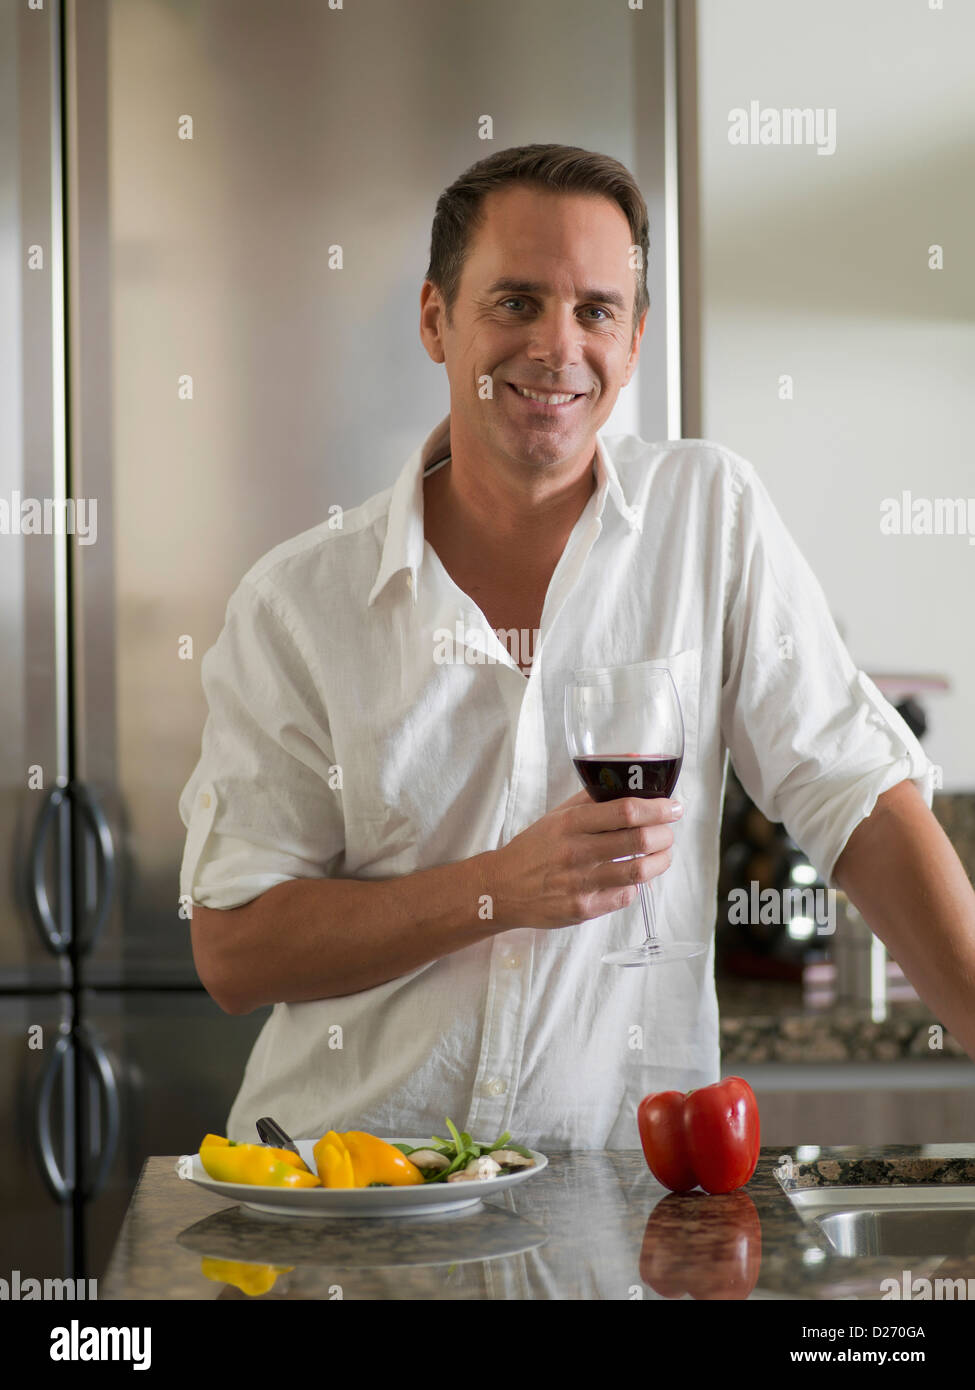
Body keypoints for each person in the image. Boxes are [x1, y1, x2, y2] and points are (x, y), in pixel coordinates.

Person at [178, 144, 975, 1149]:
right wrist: (494, 890)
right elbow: (235, 948)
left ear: (634, 341)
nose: (558, 347)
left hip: (618, 1211)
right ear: (437, 320)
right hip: (351, 1200)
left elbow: (857, 796)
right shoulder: (297, 602)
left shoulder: (709, 519)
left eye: (596, 309)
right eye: (515, 302)